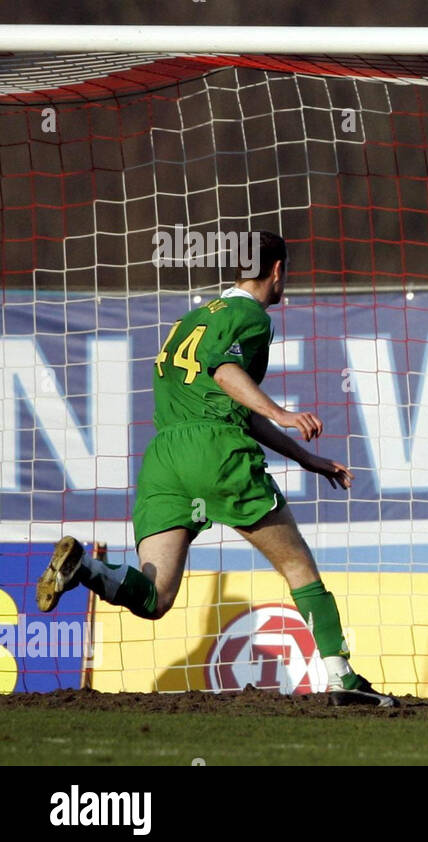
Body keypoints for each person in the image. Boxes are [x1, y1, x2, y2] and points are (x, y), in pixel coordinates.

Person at [37, 231, 395, 706]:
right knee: (296, 564)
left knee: (156, 596)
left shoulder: (189, 321)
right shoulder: (252, 317)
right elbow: (227, 376)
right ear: (277, 271)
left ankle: (85, 569)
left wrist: (305, 458)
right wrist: (283, 413)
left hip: (165, 458)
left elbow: (226, 399)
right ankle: (342, 678)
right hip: (216, 451)